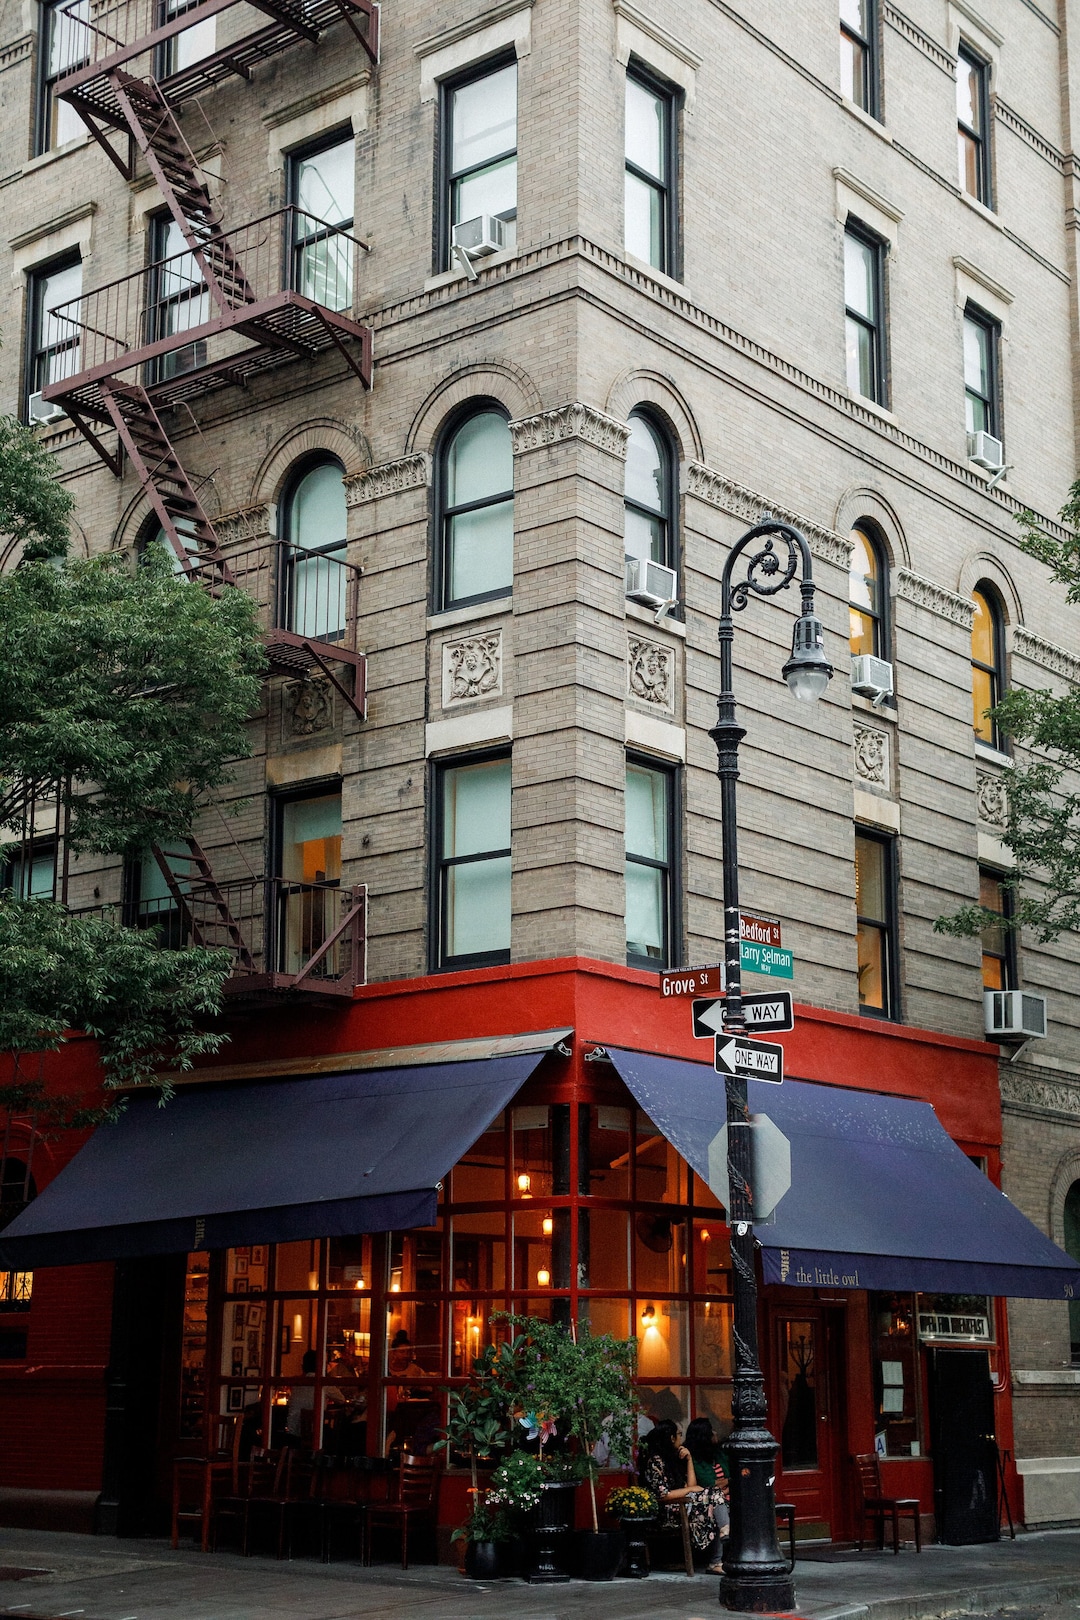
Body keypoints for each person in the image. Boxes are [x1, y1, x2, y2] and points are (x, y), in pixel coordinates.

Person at [640, 1418, 727, 1574]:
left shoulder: (674, 1457)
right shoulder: (655, 1461)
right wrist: (689, 1491)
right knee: (713, 1498)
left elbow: (690, 1485)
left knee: (714, 1500)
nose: (681, 1439)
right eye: (679, 1434)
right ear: (671, 1438)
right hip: (665, 1512)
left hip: (683, 1505)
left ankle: (722, 1541)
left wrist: (689, 1460)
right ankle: (721, 1544)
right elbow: (662, 1495)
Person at [684, 1416, 730, 1543]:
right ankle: (724, 1537)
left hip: (726, 1495)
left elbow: (734, 1475)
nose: (715, 1433)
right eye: (711, 1431)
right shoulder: (695, 1460)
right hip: (709, 1501)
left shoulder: (719, 1453)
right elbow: (708, 1484)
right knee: (718, 1508)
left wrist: (728, 1483)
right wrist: (728, 1483)